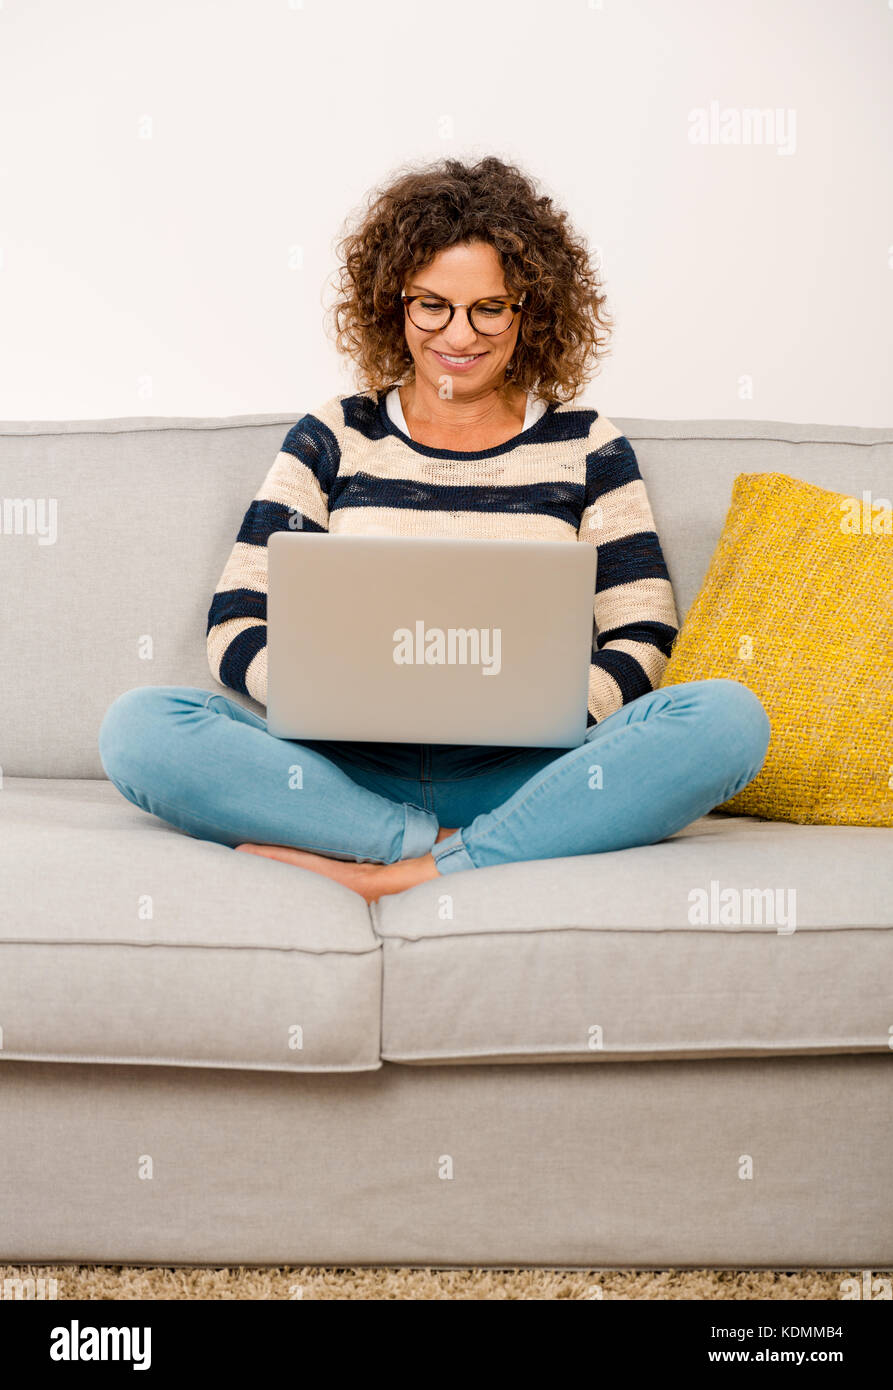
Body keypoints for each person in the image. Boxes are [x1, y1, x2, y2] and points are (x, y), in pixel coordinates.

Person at [99, 155, 770, 902]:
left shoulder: (585, 442)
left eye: (490, 307)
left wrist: (545, 712)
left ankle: (406, 869)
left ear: (529, 310)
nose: (461, 334)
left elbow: (642, 636)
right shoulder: (334, 434)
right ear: (395, 304)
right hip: (343, 769)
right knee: (140, 727)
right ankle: (439, 846)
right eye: (433, 305)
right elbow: (234, 623)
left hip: (524, 770)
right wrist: (327, 697)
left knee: (726, 719)